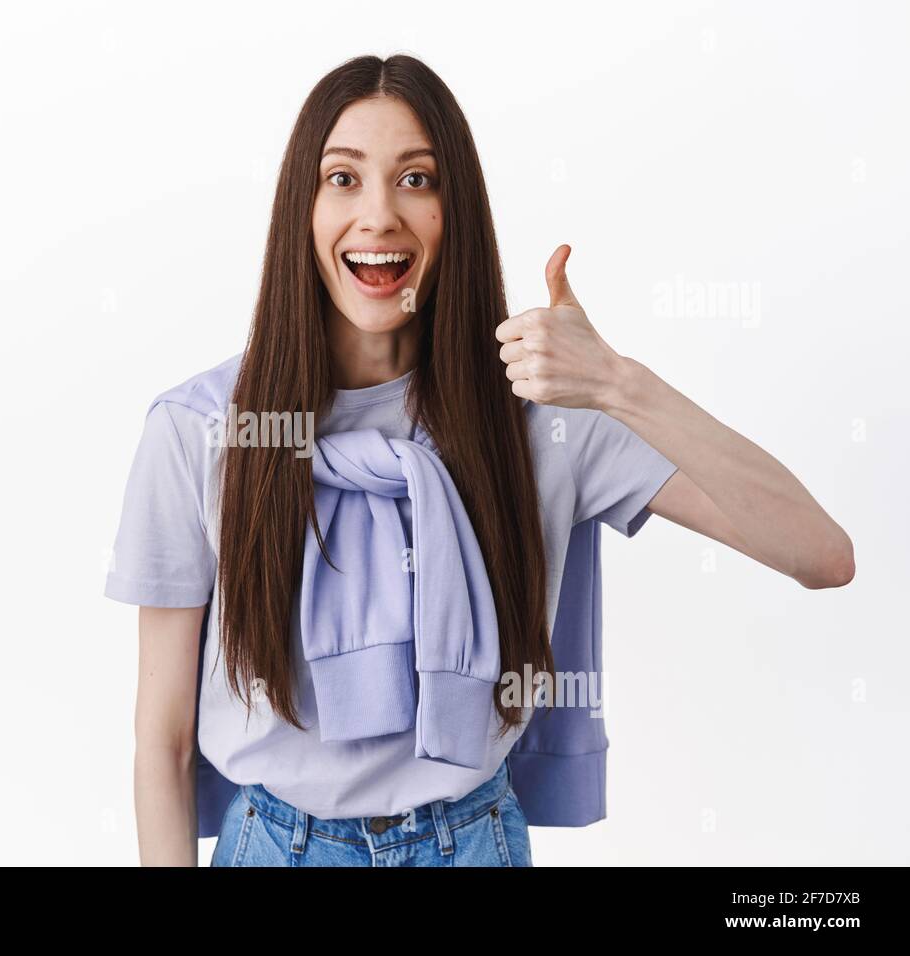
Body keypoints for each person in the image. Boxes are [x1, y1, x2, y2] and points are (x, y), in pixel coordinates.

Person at [104, 53, 855, 867]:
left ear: (454, 212)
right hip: (274, 845)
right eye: (344, 178)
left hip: (471, 844)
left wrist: (618, 383)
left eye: (417, 180)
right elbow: (163, 744)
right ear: (302, 208)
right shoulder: (203, 429)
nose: (380, 215)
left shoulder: (544, 413)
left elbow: (820, 554)